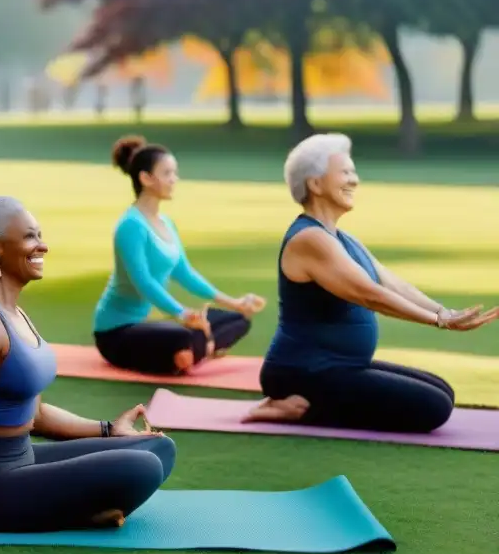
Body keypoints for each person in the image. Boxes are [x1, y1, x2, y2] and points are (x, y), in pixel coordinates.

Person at [0, 186, 177, 549]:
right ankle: (77, 512)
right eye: (30, 237)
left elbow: (37, 413)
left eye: (40, 235)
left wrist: (110, 429)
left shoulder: (15, 313)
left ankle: (81, 507)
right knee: (141, 469)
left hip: (23, 457)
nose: (43, 246)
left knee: (157, 450)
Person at [245, 133, 498, 433]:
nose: (354, 180)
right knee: (434, 407)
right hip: (304, 370)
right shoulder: (309, 239)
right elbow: (370, 295)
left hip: (340, 364)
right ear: (314, 184)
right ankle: (295, 406)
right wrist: (437, 321)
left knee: (443, 391)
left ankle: (303, 401)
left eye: (354, 172)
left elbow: (393, 284)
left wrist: (445, 312)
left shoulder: (342, 239)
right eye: (345, 173)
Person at [92, 136, 266, 375]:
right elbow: (144, 283)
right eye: (168, 173)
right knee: (182, 336)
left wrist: (234, 302)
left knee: (239, 320)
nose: (175, 179)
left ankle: (195, 350)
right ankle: (194, 349)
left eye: (174, 172)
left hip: (148, 327)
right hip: (117, 332)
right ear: (146, 178)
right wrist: (183, 314)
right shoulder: (130, 226)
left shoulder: (166, 223)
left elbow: (185, 273)